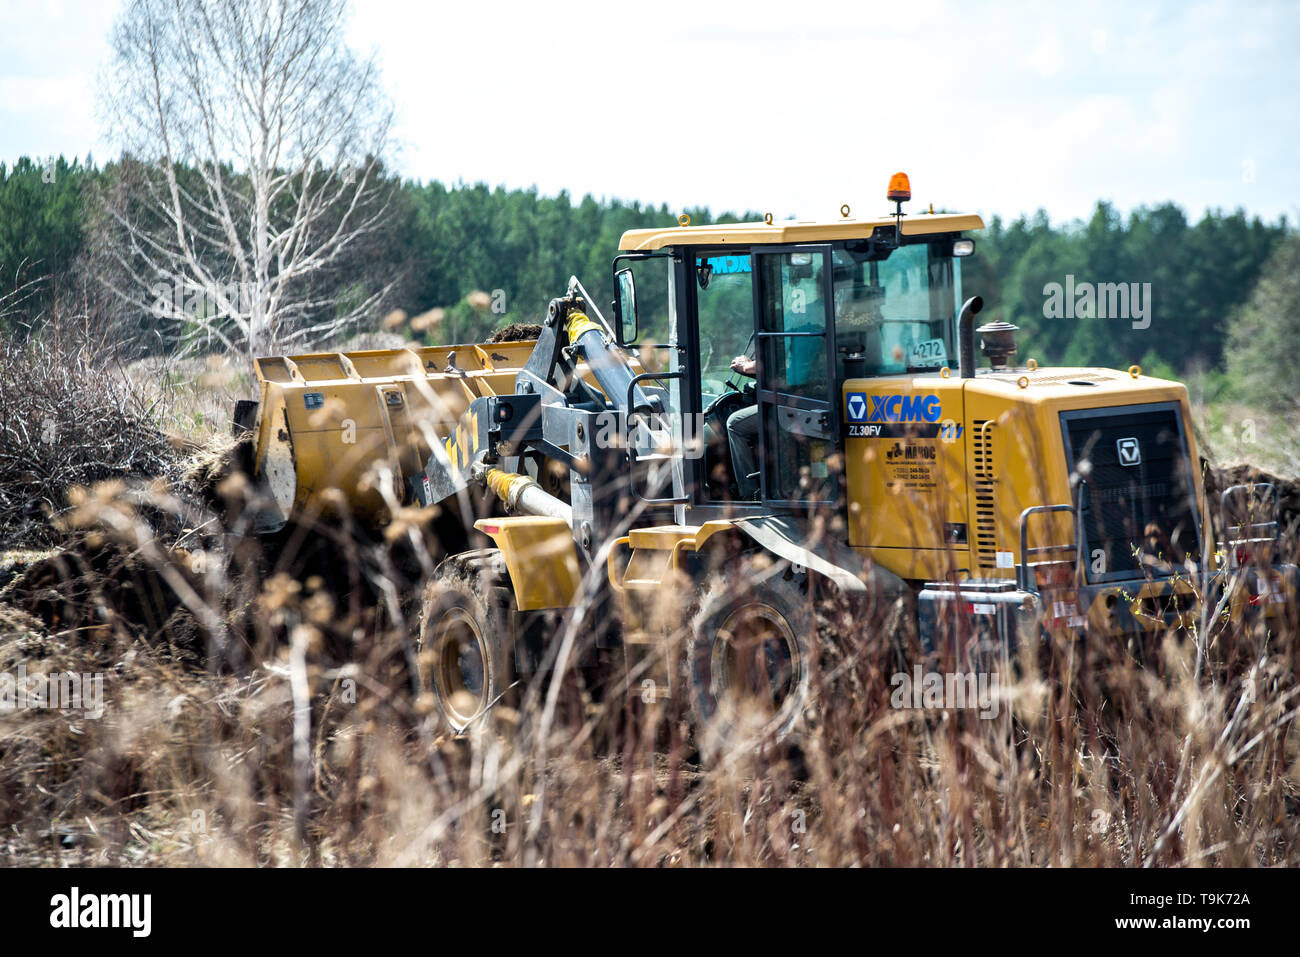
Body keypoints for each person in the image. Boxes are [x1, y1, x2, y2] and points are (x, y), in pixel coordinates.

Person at [725, 355, 760, 499]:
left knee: (734, 424)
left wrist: (746, 366)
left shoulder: (795, 332)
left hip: (788, 401)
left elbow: (775, 362)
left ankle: (750, 494)